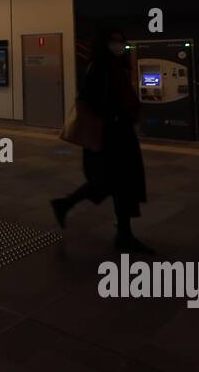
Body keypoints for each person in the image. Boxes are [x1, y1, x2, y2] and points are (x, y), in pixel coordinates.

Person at [51, 26, 153, 254]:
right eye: (114, 41)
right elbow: (91, 100)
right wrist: (116, 115)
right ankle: (121, 232)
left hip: (118, 133)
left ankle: (122, 232)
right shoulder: (101, 68)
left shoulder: (114, 66)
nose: (119, 45)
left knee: (117, 183)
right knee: (113, 182)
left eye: (120, 40)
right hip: (110, 135)